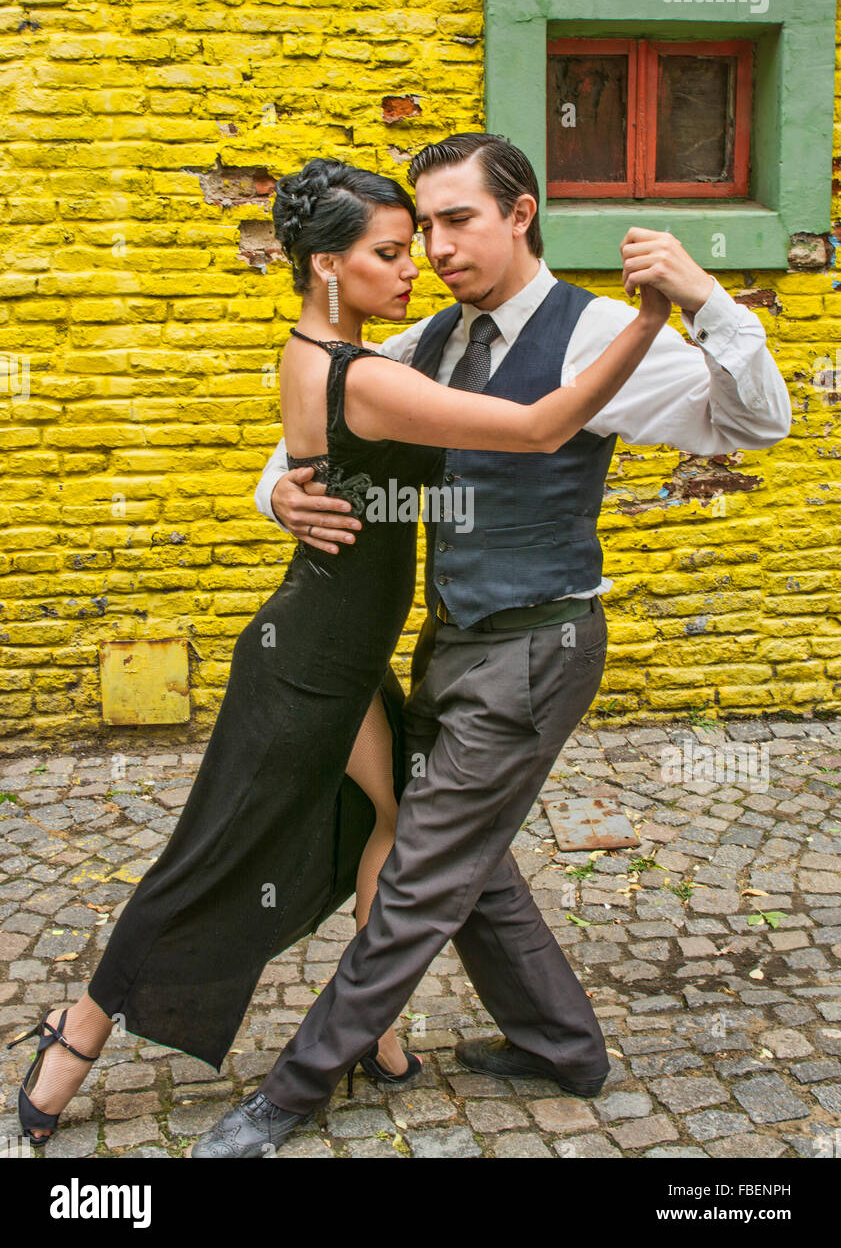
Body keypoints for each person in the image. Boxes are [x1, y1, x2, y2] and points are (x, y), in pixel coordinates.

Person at [5, 156, 673, 1148]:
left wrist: (282, 489)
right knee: (215, 851)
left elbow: (324, 465)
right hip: (311, 657)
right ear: (326, 266)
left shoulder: (328, 354)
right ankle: (77, 1036)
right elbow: (537, 427)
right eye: (390, 252)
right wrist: (651, 320)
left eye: (421, 246)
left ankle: (387, 1038)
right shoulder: (363, 379)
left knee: (389, 821)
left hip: (347, 649)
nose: (420, 266)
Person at [192, 132, 792, 1157]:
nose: (434, 246)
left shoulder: (601, 329)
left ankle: (291, 1091)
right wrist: (280, 494)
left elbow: (755, 419)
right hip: (452, 635)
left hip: (539, 641)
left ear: (520, 213)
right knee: (472, 862)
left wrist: (704, 300)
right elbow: (315, 421)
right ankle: (565, 1046)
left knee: (424, 866)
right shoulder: (429, 339)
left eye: (458, 219)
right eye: (421, 226)